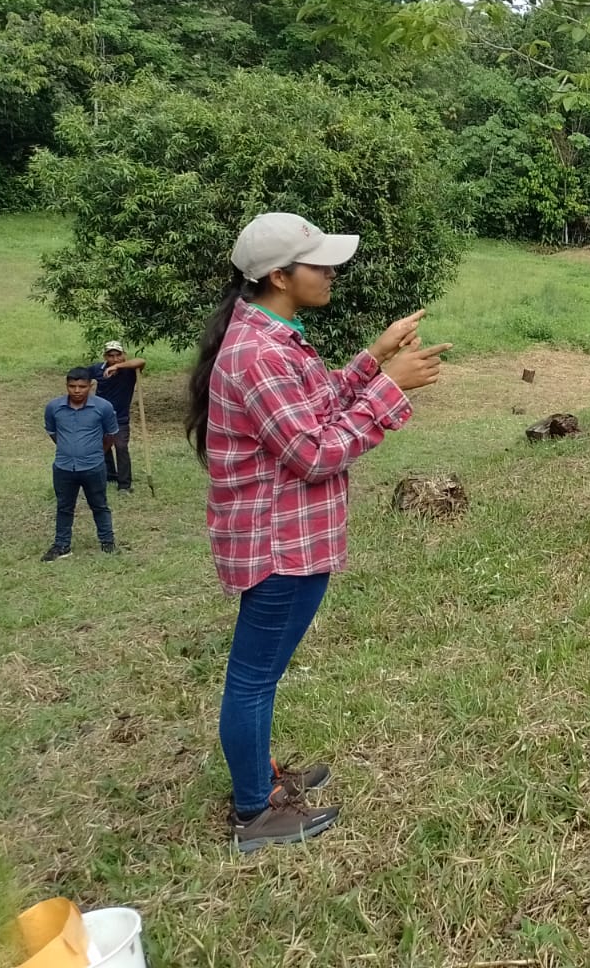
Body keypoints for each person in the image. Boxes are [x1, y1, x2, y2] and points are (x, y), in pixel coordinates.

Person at [185, 211, 449, 851]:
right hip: (279, 544)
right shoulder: (258, 354)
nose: (331, 273)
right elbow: (313, 451)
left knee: (262, 676)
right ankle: (254, 811)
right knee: (252, 679)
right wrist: (389, 390)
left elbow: (317, 402)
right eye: (318, 264)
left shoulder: (273, 334)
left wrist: (374, 358)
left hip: (293, 538)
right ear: (278, 275)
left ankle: (261, 777)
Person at [42, 367, 119, 560]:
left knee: (99, 505)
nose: (77, 391)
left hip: (93, 466)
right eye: (72, 386)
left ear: (90, 386)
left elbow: (111, 435)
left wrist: (95, 453)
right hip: (63, 467)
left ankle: (107, 541)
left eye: (82, 386)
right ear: (66, 386)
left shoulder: (103, 408)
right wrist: (69, 449)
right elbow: (53, 433)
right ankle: (61, 545)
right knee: (64, 507)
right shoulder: (54, 407)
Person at [85, 341, 146, 493]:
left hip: (120, 418)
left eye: (118, 355)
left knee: (121, 447)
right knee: (103, 446)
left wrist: (117, 366)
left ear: (124, 355)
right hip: (100, 416)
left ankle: (124, 485)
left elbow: (141, 361)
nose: (115, 358)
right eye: (111, 356)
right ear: (105, 356)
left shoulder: (130, 370)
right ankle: (110, 475)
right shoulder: (98, 369)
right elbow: (79, 377)